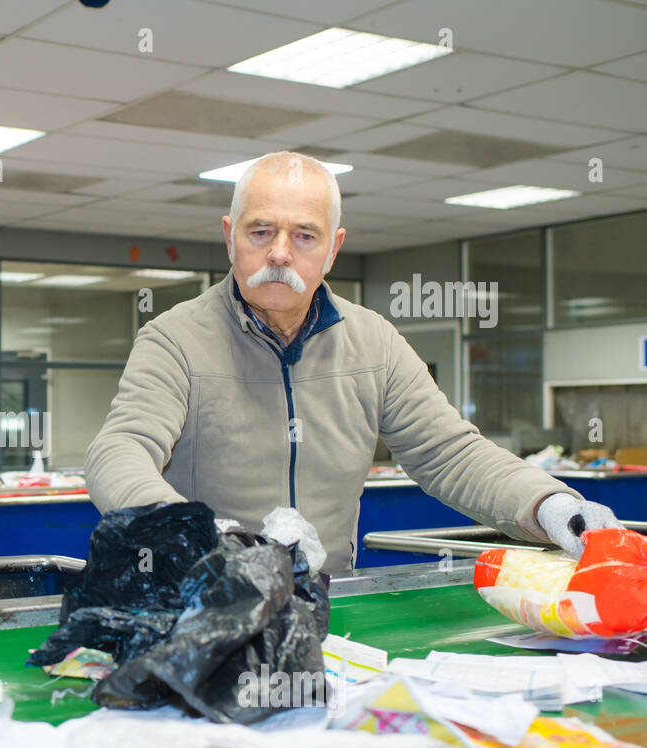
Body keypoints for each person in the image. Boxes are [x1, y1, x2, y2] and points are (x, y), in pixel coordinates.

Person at [86, 151, 621, 576]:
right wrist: (197, 533)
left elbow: (450, 454)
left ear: (333, 248)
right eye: (260, 231)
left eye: (304, 236)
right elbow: (121, 451)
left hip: (325, 604)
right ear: (230, 236)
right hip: (200, 601)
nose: (279, 252)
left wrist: (549, 505)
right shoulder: (175, 339)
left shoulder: (375, 343)